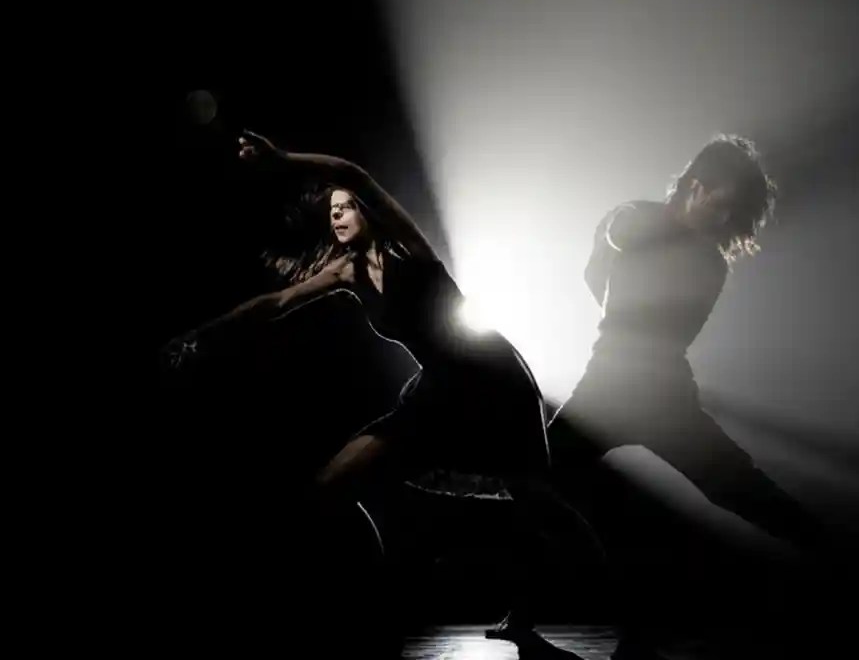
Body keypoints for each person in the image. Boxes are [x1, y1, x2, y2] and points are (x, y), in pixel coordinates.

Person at [161, 131, 582, 657]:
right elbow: (276, 303)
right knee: (329, 485)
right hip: (436, 392)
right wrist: (204, 335)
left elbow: (354, 173)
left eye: (345, 208)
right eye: (331, 210)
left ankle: (578, 607)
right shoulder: (346, 271)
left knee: (537, 505)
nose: (335, 217)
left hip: (494, 381)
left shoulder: (406, 246)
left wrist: (284, 161)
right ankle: (375, 606)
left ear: (367, 211)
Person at [546, 134, 836, 656]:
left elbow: (634, 294)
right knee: (538, 479)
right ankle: (547, 608)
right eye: (721, 207)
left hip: (661, 398)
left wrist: (621, 242)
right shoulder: (634, 218)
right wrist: (613, 237)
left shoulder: (708, 263)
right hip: (605, 388)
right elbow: (604, 265)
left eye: (732, 216)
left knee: (744, 492)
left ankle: (853, 576)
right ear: (696, 187)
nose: (724, 223)